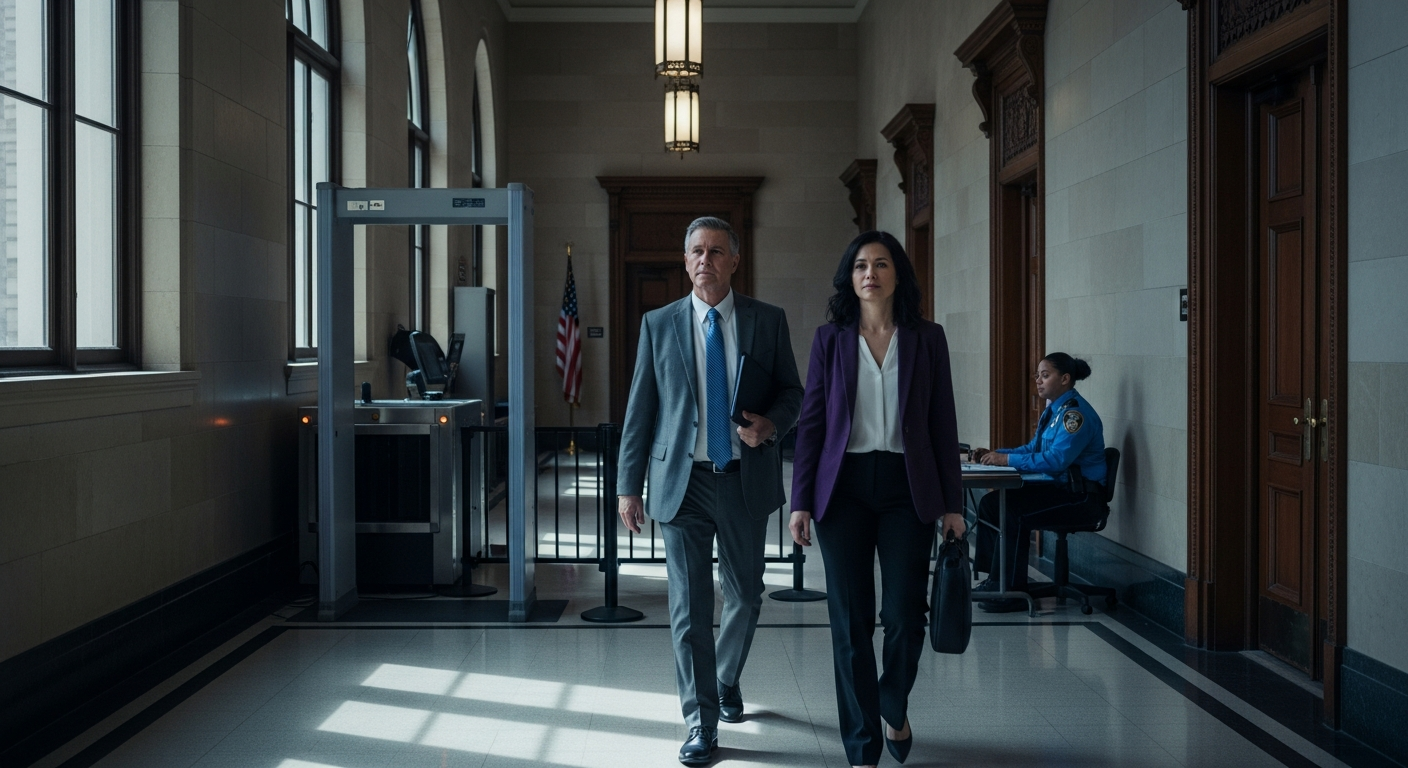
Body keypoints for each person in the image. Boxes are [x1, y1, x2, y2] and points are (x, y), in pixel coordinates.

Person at [617, 216, 804, 766]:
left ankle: (725, 678)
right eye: (697, 251)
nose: (706, 260)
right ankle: (701, 722)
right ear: (685, 261)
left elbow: (793, 392)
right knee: (690, 608)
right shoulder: (659, 324)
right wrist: (628, 485)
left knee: (746, 595)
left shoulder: (767, 320)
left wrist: (771, 424)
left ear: (734, 261)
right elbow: (640, 409)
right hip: (683, 484)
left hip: (744, 480)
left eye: (717, 251)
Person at [788, 231, 966, 768]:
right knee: (850, 621)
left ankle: (892, 699)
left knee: (906, 614)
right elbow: (812, 423)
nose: (871, 273)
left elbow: (942, 422)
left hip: (907, 487)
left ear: (898, 275)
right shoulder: (830, 339)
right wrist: (800, 500)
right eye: (861, 265)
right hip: (842, 489)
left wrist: (953, 504)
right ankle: (863, 749)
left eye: (882, 264)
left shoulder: (927, 338)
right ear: (850, 277)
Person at [969, 352, 1107, 613]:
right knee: (991, 503)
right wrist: (996, 455)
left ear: (1065, 379)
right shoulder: (1053, 411)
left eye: (1045, 375)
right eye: (1037, 376)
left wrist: (1005, 459)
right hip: (1059, 489)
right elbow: (1033, 449)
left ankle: (1009, 591)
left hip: (1080, 497)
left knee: (1012, 510)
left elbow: (1056, 461)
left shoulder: (1074, 415)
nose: (1038, 381)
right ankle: (997, 580)